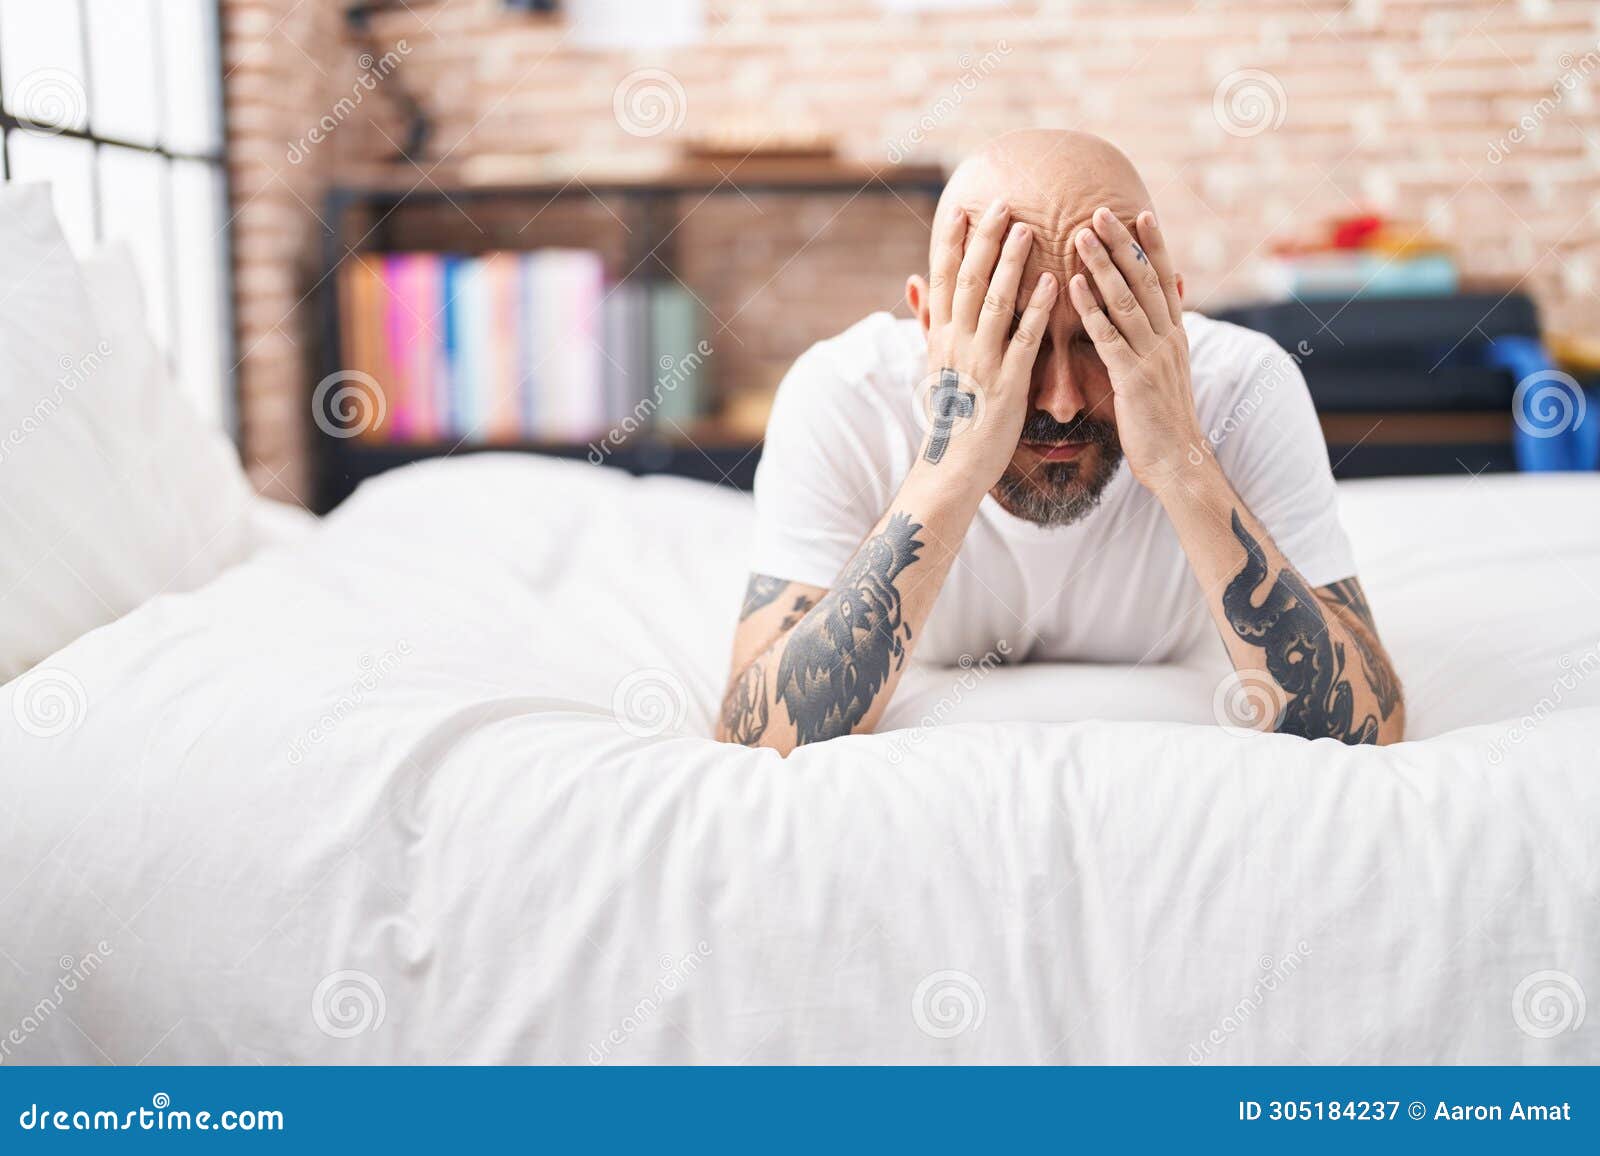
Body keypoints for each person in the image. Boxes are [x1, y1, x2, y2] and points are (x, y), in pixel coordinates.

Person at [717, 129, 1403, 753]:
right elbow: (756, 734)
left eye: (1099, 340)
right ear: (930, 324)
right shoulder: (845, 393)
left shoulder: (1243, 385)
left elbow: (1367, 725)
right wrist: (954, 464)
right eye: (1016, 340)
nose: (1062, 400)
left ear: (1166, 316)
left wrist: (1181, 460)